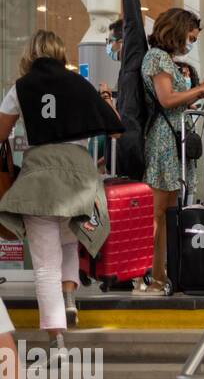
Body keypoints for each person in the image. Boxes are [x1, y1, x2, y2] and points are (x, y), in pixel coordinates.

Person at [0, 31, 123, 340]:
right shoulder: (79, 84)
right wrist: (106, 100)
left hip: (39, 178)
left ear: (29, 54)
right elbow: (116, 130)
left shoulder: (20, 88)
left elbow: (0, 134)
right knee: (69, 241)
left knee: (44, 264)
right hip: (79, 180)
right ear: (59, 52)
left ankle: (57, 337)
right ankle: (69, 297)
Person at [139, 8, 204, 294]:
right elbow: (166, 99)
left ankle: (160, 275)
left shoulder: (165, 59)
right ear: (177, 31)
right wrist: (201, 89)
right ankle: (147, 275)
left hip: (173, 137)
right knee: (157, 212)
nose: (191, 43)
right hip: (164, 140)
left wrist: (193, 98)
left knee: (165, 213)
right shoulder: (158, 58)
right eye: (190, 37)